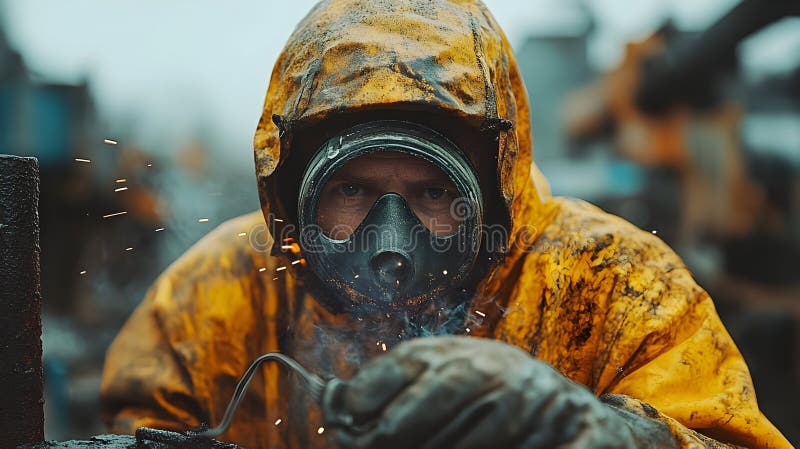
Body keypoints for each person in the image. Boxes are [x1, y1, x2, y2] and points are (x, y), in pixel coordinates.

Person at [100, 1, 791, 448]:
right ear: (292, 192)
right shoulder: (214, 300)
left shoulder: (614, 285)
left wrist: (600, 435)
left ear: (495, 190)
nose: (392, 241)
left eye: (434, 191)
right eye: (351, 188)